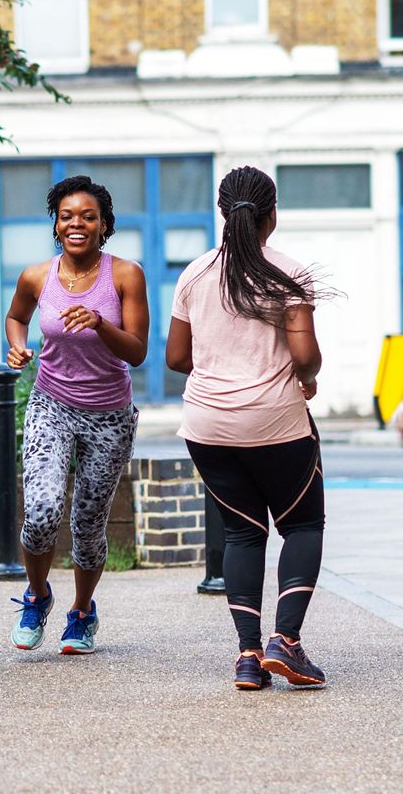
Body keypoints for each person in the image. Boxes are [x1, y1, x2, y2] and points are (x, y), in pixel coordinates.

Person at [166, 165, 328, 690]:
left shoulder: (194, 274)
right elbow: (305, 355)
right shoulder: (287, 274)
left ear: (222, 213)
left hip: (207, 426)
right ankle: (288, 642)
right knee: (301, 525)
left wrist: (220, 370)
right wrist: (306, 378)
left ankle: (248, 657)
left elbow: (175, 358)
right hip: (276, 420)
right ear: (271, 217)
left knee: (243, 531)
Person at [4, 175, 149, 655]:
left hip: (109, 415)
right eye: (67, 216)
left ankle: (82, 612)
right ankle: (37, 594)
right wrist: (18, 347)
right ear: (56, 223)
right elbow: (17, 317)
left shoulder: (126, 275)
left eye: (88, 216)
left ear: (104, 224)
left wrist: (100, 322)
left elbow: (137, 352)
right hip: (51, 405)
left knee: (88, 523)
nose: (77, 224)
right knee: (42, 511)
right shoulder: (36, 276)